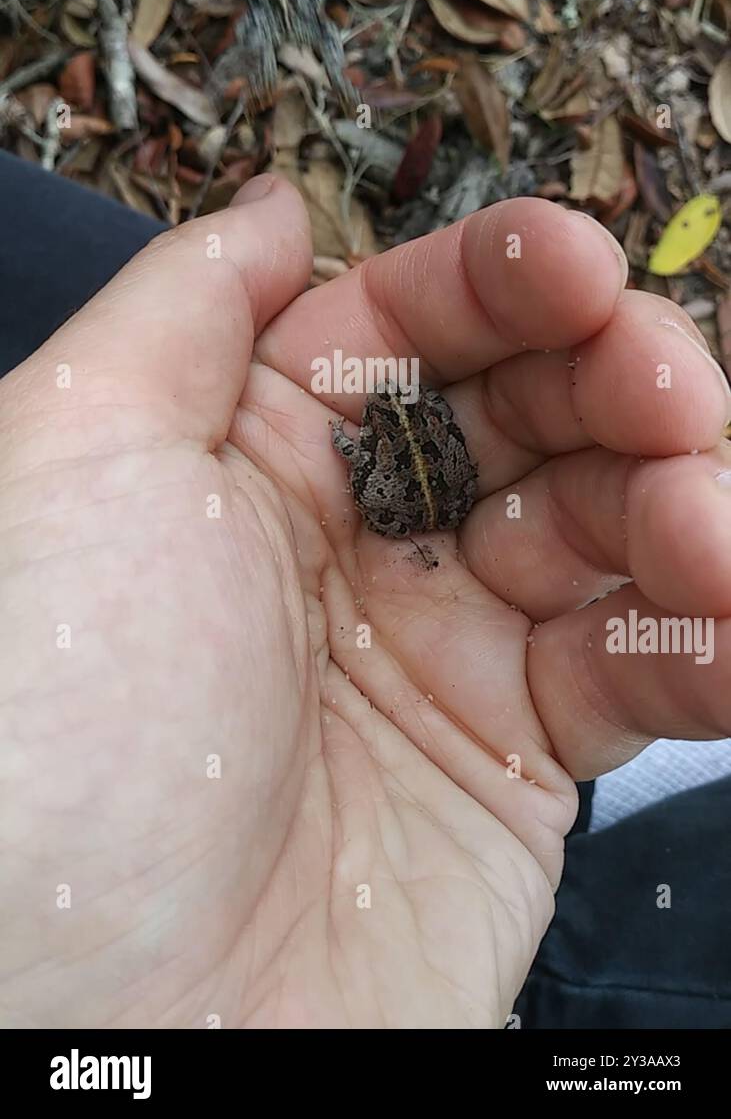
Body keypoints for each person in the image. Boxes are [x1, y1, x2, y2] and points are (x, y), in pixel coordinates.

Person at [1, 149, 729, 1029]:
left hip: (411, 523)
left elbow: (372, 453)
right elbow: (443, 457)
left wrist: (356, 455)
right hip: (448, 530)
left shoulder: (386, 428)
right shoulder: (430, 430)